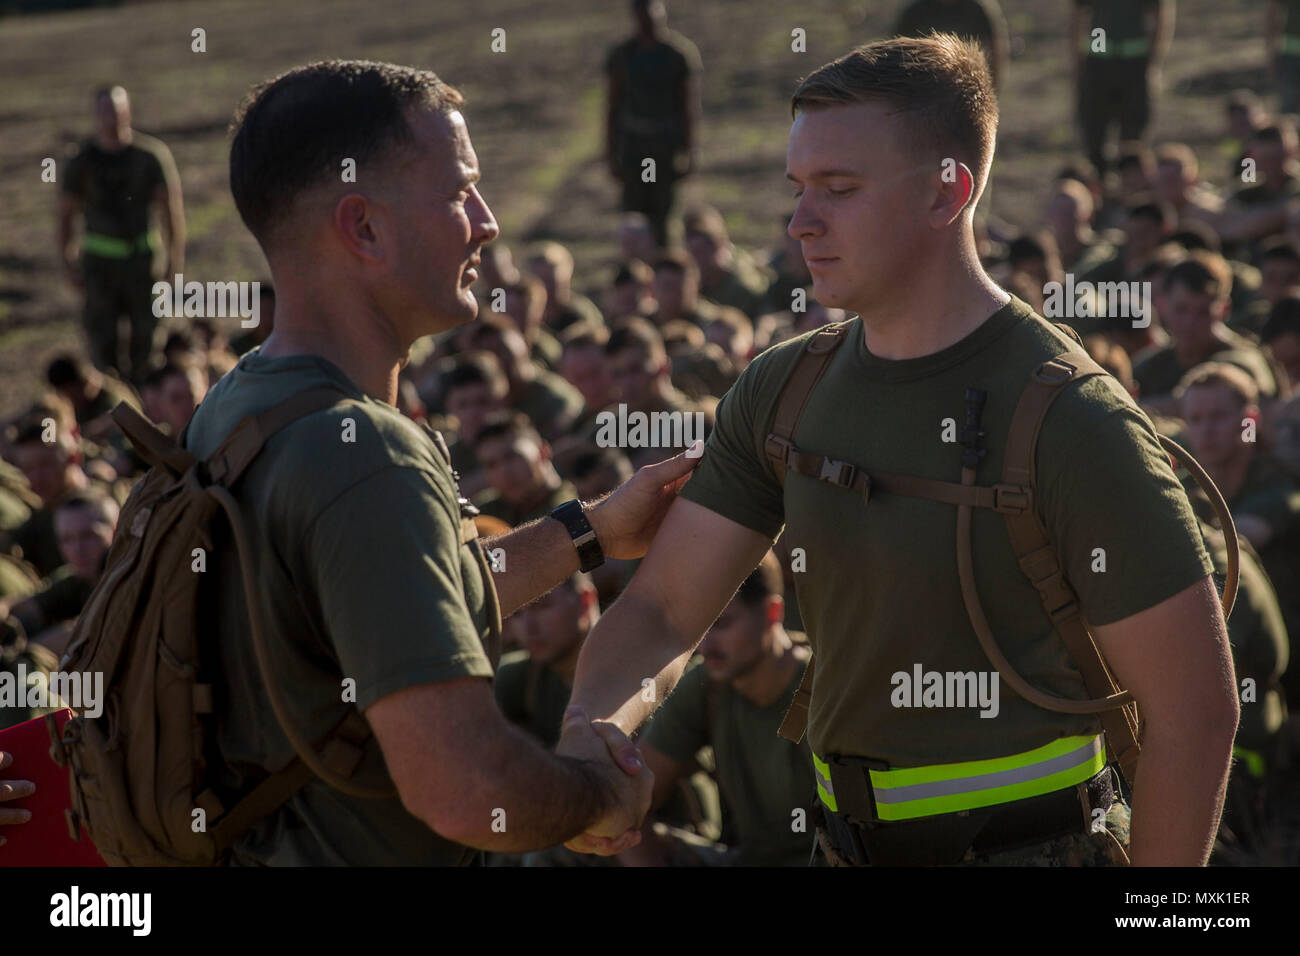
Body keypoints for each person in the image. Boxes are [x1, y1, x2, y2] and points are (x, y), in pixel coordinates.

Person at [559, 35, 1238, 867]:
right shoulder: (782, 392)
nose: (800, 221)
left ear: (947, 192)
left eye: (839, 189)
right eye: (798, 188)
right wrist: (593, 734)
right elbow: (664, 610)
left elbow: (1196, 714)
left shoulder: (1076, 421)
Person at [184, 60, 704, 865]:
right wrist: (600, 793)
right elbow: (465, 789)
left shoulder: (240, 407)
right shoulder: (362, 457)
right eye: (460, 192)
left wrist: (592, 532)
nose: (488, 222)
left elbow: (392, 604)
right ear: (364, 228)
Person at [632, 552, 816, 867]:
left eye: (722, 624)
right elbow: (632, 800)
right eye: (700, 626)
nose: (706, 644)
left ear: (773, 612)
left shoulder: (824, 690)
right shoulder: (707, 685)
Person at [58, 86, 185, 384]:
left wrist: (174, 260)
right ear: (96, 115)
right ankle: (112, 409)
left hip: (143, 262)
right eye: (104, 111)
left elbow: (171, 213)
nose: (111, 118)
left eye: (116, 111)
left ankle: (149, 406)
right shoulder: (81, 162)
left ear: (127, 111)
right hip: (99, 266)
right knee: (103, 346)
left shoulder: (149, 157)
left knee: (149, 342)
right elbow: (65, 217)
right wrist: (68, 263)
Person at [1176, 362, 1300, 649]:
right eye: (1195, 418)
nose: (1206, 429)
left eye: (1218, 417)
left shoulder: (1279, 484)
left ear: (1249, 422)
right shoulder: (1182, 487)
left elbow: (1240, 537)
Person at [604, 0, 702, 247]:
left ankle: (663, 265)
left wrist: (689, 151)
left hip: (664, 146)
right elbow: (612, 106)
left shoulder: (677, 55)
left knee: (664, 216)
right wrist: (610, 152)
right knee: (634, 216)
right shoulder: (623, 55)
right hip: (633, 146)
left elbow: (687, 106)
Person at [1133, 252, 1280, 414]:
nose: (1190, 322)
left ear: (1223, 310)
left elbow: (1249, 427)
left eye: (1203, 312)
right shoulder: (1150, 366)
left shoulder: (1243, 361)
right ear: (1161, 306)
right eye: (1181, 310)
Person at [1070, 0, 1173, 179]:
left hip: (1135, 63)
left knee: (1133, 138)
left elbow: (1161, 15)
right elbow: (1077, 16)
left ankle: (1131, 189)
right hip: (1098, 62)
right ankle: (1100, 188)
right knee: (1093, 135)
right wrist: (1077, 63)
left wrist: (1154, 61)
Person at [472, 412, 579, 527]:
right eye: (491, 465)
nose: (504, 472)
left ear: (543, 452)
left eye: (511, 457)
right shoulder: (484, 513)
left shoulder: (581, 500)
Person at [894, 0, 1009, 90]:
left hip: (966, 86)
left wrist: (991, 87)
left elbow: (994, 51)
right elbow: (896, 50)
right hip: (922, 86)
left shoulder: (977, 11)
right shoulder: (916, 12)